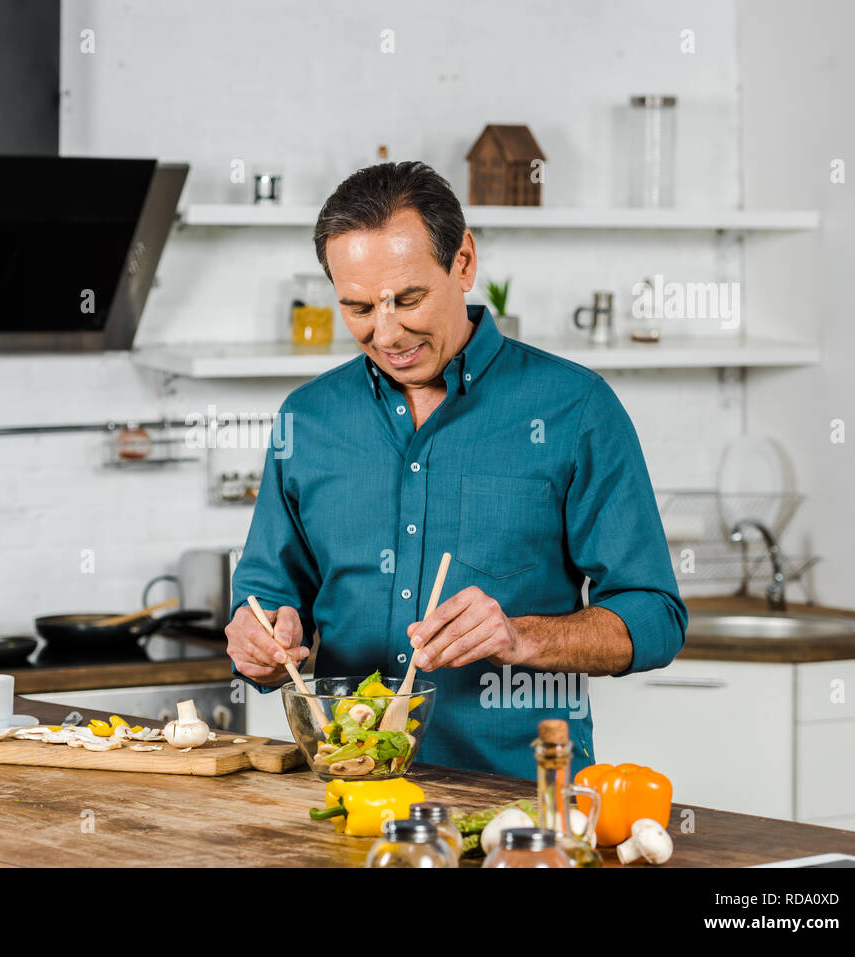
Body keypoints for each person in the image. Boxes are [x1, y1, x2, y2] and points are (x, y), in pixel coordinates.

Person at [226, 161, 686, 779]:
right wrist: (257, 638)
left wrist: (522, 637)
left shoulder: (574, 408)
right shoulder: (307, 419)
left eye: (408, 299)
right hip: (344, 789)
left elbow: (655, 616)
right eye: (358, 308)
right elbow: (267, 596)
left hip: (521, 800)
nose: (386, 333)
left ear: (463, 261)